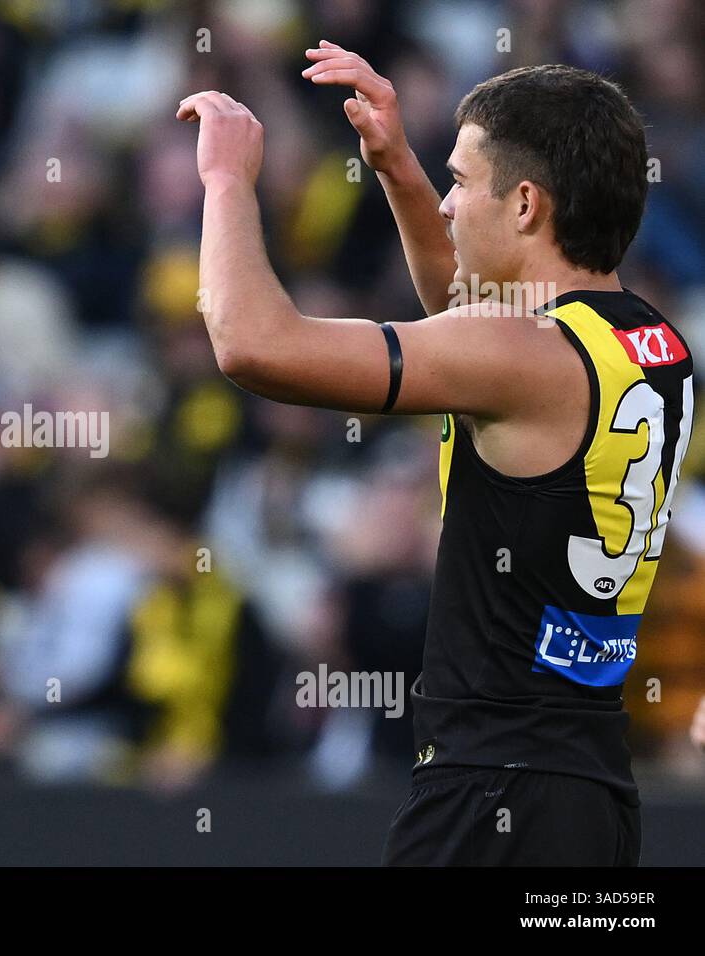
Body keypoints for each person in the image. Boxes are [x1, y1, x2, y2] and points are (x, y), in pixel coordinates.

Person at [178, 45, 693, 865]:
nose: (448, 204)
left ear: (525, 204)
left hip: (489, 797)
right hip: (589, 791)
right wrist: (396, 167)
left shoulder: (519, 356)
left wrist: (226, 183)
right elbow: (465, 306)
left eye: (459, 180)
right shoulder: (649, 340)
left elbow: (251, 345)